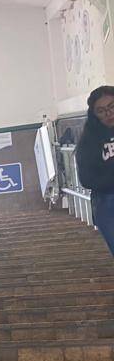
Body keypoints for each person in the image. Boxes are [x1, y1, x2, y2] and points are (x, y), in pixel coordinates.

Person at [76, 86, 114, 254]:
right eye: (101, 110)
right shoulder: (89, 141)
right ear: (94, 115)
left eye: (112, 106)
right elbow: (86, 178)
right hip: (107, 200)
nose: (108, 113)